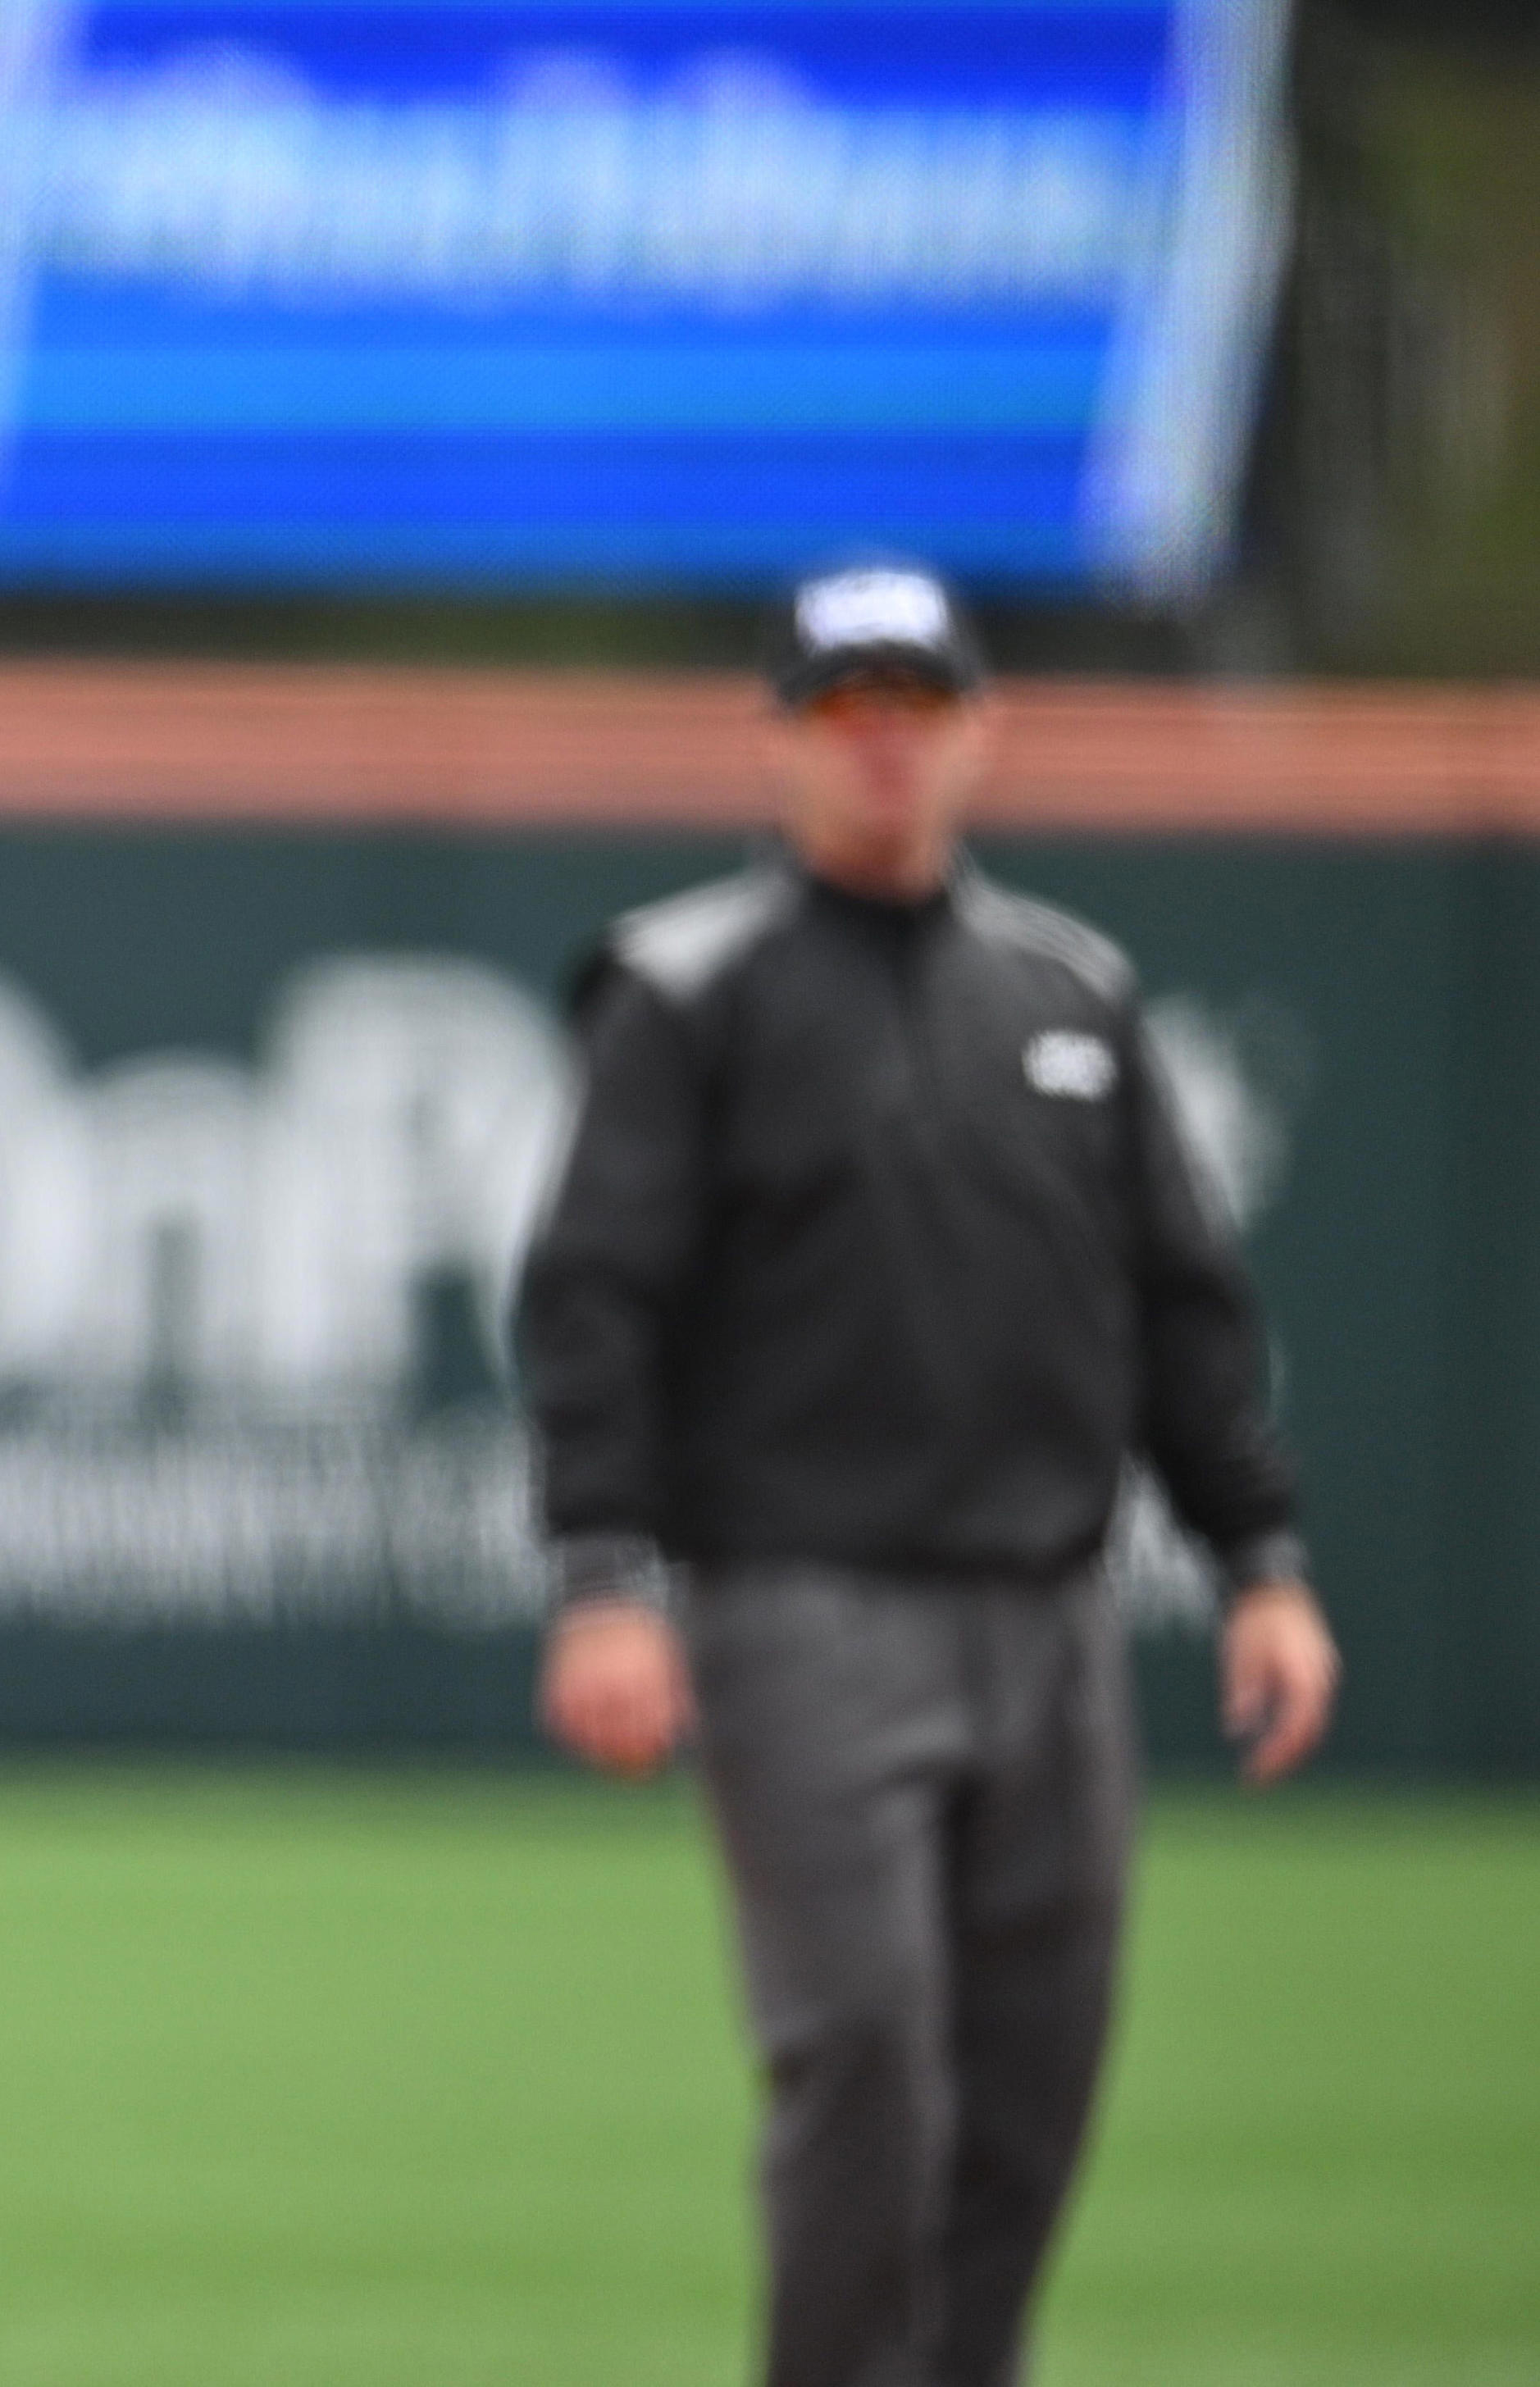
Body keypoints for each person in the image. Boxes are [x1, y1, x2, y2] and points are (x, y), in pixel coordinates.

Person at [517, 562, 1340, 2387]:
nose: (881, 743)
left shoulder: (1070, 989)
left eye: (916, 705)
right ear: (778, 741)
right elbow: (592, 1299)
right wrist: (601, 1580)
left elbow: (1182, 1305)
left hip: (1048, 1614)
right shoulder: (687, 988)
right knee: (869, 2052)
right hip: (799, 1604)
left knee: (1033, 2080)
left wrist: (1259, 1559)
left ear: (979, 731)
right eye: (843, 708)